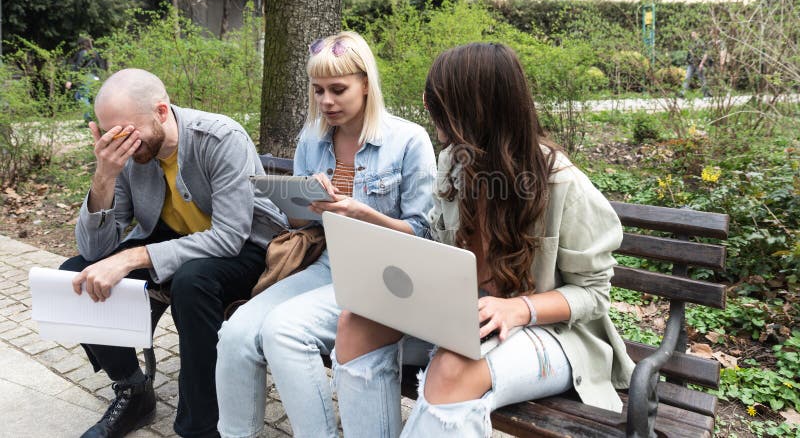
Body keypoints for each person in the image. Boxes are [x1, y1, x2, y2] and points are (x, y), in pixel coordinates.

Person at [332, 42, 635, 437]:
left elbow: (593, 296)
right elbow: (441, 252)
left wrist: (519, 309)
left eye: (439, 99)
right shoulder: (453, 164)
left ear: (475, 108)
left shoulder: (562, 183)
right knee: (355, 325)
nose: (427, 106)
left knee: (452, 370)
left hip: (550, 332)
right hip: (464, 317)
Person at [215, 31, 436, 438]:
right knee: (237, 332)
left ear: (366, 84)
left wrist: (361, 212)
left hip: (385, 274)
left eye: (338, 89)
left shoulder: (407, 140)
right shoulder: (313, 139)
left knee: (284, 331)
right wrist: (300, 200)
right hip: (329, 266)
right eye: (318, 91)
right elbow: (304, 227)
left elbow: (423, 234)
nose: (326, 102)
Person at [59, 68, 288, 438]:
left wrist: (133, 257)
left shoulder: (219, 137)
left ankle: (200, 427)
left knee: (192, 281)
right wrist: (104, 176)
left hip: (247, 247)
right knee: (76, 272)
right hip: (175, 240)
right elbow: (93, 248)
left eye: (125, 132)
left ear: (161, 112)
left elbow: (230, 236)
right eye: (107, 134)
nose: (119, 144)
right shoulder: (130, 157)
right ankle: (132, 390)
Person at [681, 30, 711, 98]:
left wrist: (701, 64)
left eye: (694, 33)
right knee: (687, 78)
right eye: (692, 34)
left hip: (698, 64)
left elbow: (705, 54)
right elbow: (689, 54)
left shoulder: (701, 43)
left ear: (697, 34)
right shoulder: (690, 43)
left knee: (702, 79)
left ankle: (706, 94)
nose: (693, 35)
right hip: (691, 64)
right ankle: (682, 93)